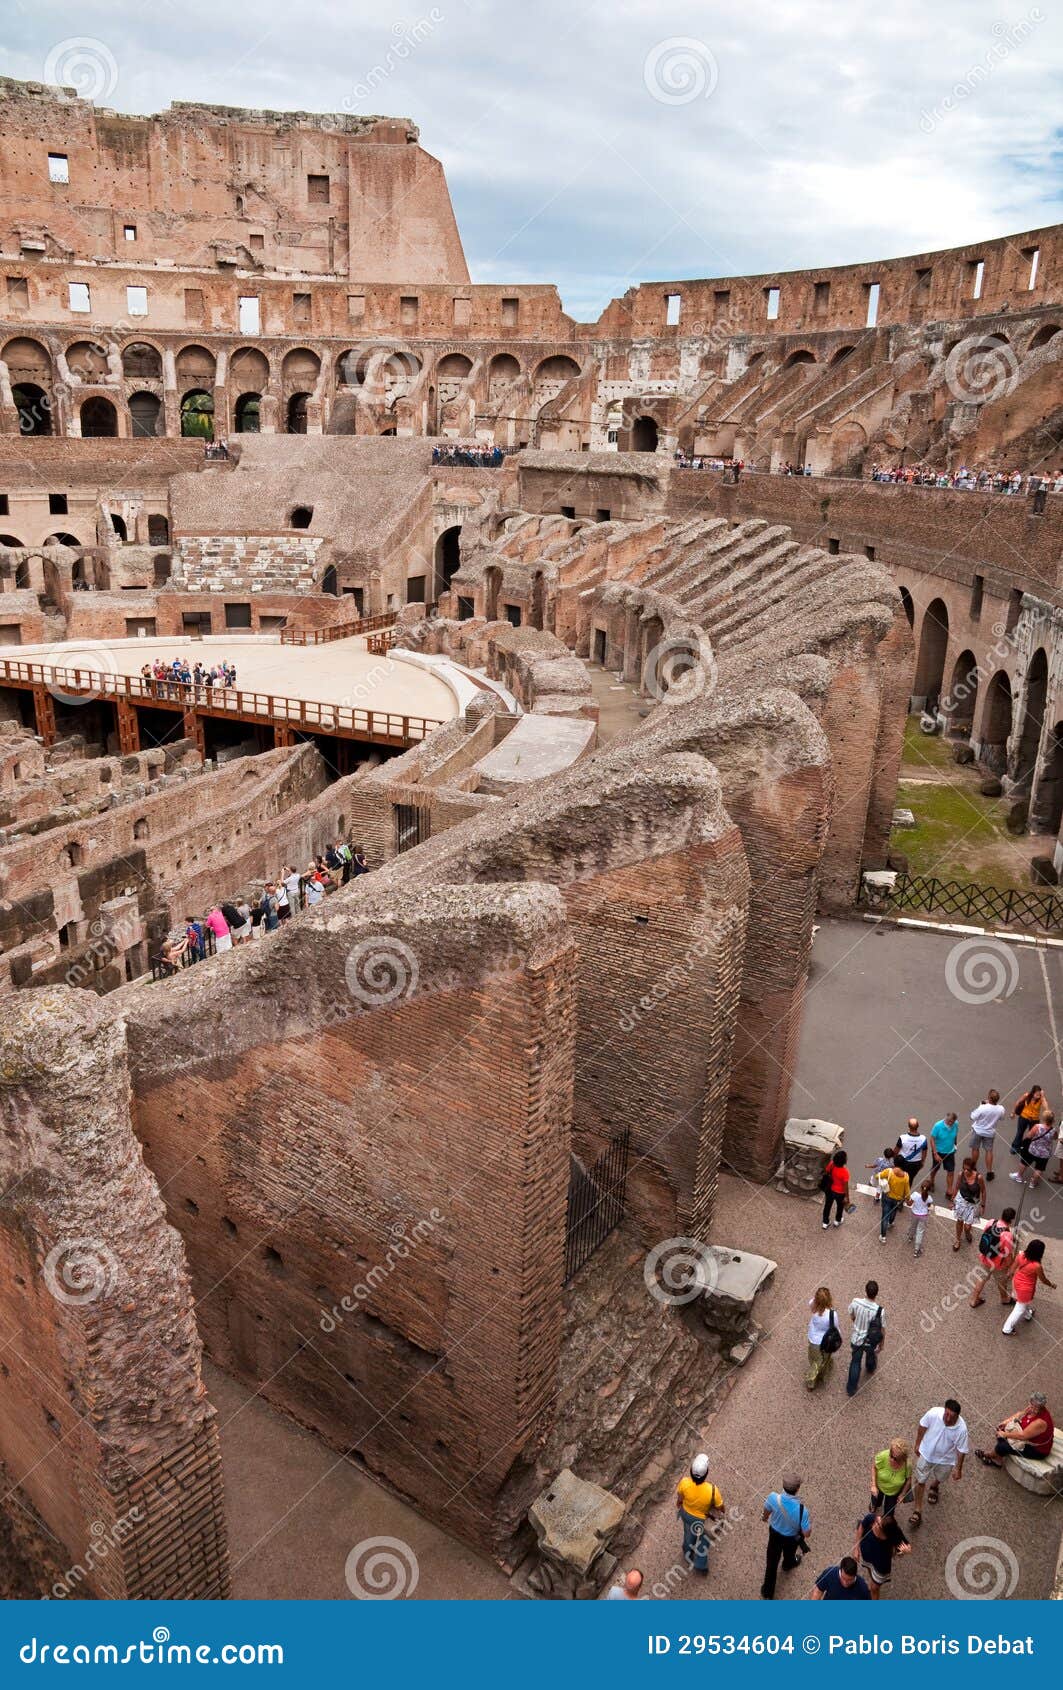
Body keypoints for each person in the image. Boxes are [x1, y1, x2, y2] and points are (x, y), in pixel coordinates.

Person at [909, 1400, 967, 1528]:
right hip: (926, 1453)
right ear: (944, 1410)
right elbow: (922, 1425)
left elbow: (962, 1450)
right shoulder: (934, 1413)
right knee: (920, 1480)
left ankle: (935, 1485)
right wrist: (917, 1443)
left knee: (941, 1477)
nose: (947, 1418)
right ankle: (917, 1510)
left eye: (951, 1417)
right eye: (946, 1414)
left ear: (957, 1416)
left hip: (945, 1460)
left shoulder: (962, 1429)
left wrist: (959, 1469)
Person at [760, 1477, 809, 1600]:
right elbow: (806, 1533)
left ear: (783, 1486)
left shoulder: (772, 1497)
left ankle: (767, 1591)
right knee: (790, 1553)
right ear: (797, 1489)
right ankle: (788, 1564)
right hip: (791, 1538)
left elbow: (766, 1512)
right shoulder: (802, 1510)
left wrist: (765, 1518)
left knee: (771, 1563)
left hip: (775, 1535)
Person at [675, 1453, 723, 1576]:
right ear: (706, 1473)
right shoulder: (712, 1490)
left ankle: (687, 1552)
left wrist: (679, 1504)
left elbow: (680, 1498)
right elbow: (720, 1507)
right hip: (701, 1520)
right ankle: (700, 1564)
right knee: (704, 1540)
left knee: (688, 1533)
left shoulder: (684, 1482)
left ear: (691, 1471)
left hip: (686, 1514)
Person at [976, 1393, 1054, 1468]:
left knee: (1002, 1445)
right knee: (1000, 1429)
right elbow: (1020, 1414)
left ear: (1041, 1407)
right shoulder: (1031, 1407)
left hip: (1036, 1450)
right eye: (1031, 1404)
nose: (1032, 1408)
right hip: (1025, 1433)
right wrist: (1006, 1422)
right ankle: (998, 1457)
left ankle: (991, 1455)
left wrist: (1005, 1434)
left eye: (1036, 1407)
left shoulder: (1040, 1422)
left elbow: (1023, 1436)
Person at [853, 1509, 910, 1598]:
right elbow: (861, 1527)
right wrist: (856, 1548)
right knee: (869, 1569)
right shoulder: (872, 1519)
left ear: (886, 1532)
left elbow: (907, 1548)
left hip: (881, 1565)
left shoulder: (894, 1534)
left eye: (878, 1525)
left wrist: (905, 1551)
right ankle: (872, 1579)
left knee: (874, 1588)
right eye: (878, 1521)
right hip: (867, 1556)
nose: (875, 1523)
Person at [1003, 1239, 1056, 1334]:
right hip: (1026, 1289)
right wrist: (1051, 1285)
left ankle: (1027, 1315)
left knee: (1021, 1303)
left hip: (1016, 1282)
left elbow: (1012, 1269)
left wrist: (1007, 1277)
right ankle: (1007, 1329)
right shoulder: (1037, 1266)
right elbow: (1043, 1280)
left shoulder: (1021, 1255)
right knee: (1019, 1309)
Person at [969, 1207, 1017, 1307]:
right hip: (998, 1264)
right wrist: (1010, 1267)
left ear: (1002, 1215)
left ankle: (974, 1300)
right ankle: (1004, 1299)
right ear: (1011, 1220)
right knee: (1002, 1282)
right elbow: (1008, 1256)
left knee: (982, 1278)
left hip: (985, 1258)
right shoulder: (1007, 1235)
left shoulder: (991, 1222)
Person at [846, 1280, 885, 1396]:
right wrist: (882, 1344)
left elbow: (852, 1315)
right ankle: (870, 1367)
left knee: (855, 1362)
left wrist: (856, 1323)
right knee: (871, 1355)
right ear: (876, 1294)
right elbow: (882, 1329)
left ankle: (851, 1389)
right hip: (870, 1341)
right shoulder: (880, 1311)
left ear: (865, 1291)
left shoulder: (855, 1302)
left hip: (856, 1339)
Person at [806, 1286, 841, 1390]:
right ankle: (821, 1375)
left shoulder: (813, 1307)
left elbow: (811, 1302)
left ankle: (811, 1383)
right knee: (824, 1360)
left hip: (813, 1340)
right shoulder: (832, 1314)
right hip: (825, 1342)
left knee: (814, 1361)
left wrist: (817, 1298)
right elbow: (836, 1328)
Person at [1014, 1111, 1055, 1188]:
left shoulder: (1037, 1126)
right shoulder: (1053, 1130)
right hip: (1045, 1153)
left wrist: (1023, 1142)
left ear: (1044, 1118)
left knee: (1024, 1163)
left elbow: (1029, 1136)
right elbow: (1055, 1138)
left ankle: (1019, 1176)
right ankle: (1033, 1183)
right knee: (1039, 1168)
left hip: (1033, 1149)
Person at [969, 1090, 1005, 1179]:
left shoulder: (982, 1107)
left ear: (989, 1098)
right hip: (990, 1133)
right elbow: (1001, 1118)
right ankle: (989, 1172)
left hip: (977, 1131)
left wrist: (981, 1105)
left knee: (975, 1148)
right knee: (989, 1151)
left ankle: (973, 1167)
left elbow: (972, 1117)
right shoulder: (1001, 1109)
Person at [870, 1441, 911, 1517]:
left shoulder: (907, 1465)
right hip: (879, 1487)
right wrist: (873, 1485)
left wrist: (902, 1494)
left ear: (903, 1458)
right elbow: (874, 1467)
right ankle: (873, 1507)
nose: (891, 1459)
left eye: (895, 1458)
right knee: (876, 1503)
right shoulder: (883, 1455)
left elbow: (908, 1480)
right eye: (891, 1455)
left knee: (889, 1513)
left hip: (893, 1492)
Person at [952, 1157, 986, 1249]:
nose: (966, 1171)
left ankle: (967, 1232)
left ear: (973, 1168)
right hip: (961, 1201)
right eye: (964, 1168)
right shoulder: (961, 1174)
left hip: (973, 1204)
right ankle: (958, 1240)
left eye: (968, 1169)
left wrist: (983, 1205)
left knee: (967, 1226)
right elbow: (956, 1187)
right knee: (959, 1221)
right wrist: (953, 1200)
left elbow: (983, 1191)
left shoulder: (979, 1177)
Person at [928, 1111, 959, 1200]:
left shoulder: (956, 1124)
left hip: (950, 1152)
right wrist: (935, 1153)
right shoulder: (938, 1126)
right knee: (935, 1168)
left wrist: (955, 1144)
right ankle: (931, 1181)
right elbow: (932, 1139)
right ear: (946, 1118)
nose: (950, 1124)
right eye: (949, 1121)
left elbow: (955, 1134)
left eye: (952, 1122)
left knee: (951, 1171)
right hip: (938, 1152)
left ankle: (949, 1190)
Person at [879, 1156, 910, 1243]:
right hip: (898, 1199)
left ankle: (883, 1236)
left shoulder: (889, 1171)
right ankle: (891, 1222)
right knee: (893, 1211)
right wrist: (908, 1199)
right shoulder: (906, 1176)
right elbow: (907, 1189)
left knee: (885, 1216)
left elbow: (878, 1176)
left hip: (887, 1196)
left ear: (895, 1163)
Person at [1010, 1084, 1047, 1155]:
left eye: (1039, 1095)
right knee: (1020, 1132)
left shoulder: (1041, 1099)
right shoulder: (1027, 1095)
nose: (1038, 1096)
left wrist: (1042, 1096)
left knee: (1031, 1135)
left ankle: (1025, 1149)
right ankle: (1015, 1147)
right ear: (1032, 1093)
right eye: (1037, 1094)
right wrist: (1013, 1112)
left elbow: (1046, 1108)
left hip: (1034, 1120)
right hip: (1023, 1117)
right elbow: (1018, 1102)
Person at [821, 1150, 850, 1229]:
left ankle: (825, 1222)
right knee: (840, 1207)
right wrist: (847, 1197)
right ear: (844, 1161)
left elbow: (827, 1171)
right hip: (840, 1193)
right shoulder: (845, 1172)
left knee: (827, 1206)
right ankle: (837, 1220)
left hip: (829, 1189)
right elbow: (845, 1186)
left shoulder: (831, 1164)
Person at [894, 1119, 928, 1183]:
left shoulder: (903, 1137)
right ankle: (906, 1190)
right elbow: (924, 1151)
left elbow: (896, 1151)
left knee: (898, 1177)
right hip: (916, 1163)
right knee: (910, 1178)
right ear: (918, 1126)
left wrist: (894, 1160)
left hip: (903, 1162)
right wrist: (923, 1162)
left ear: (909, 1126)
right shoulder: (923, 1138)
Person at [907, 1180, 933, 1258]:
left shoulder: (915, 1195)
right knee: (920, 1232)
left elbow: (909, 1204)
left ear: (921, 1187)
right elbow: (928, 1206)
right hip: (923, 1216)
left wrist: (906, 1199)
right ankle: (916, 1249)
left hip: (914, 1214)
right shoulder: (929, 1198)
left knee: (913, 1226)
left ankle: (910, 1237)